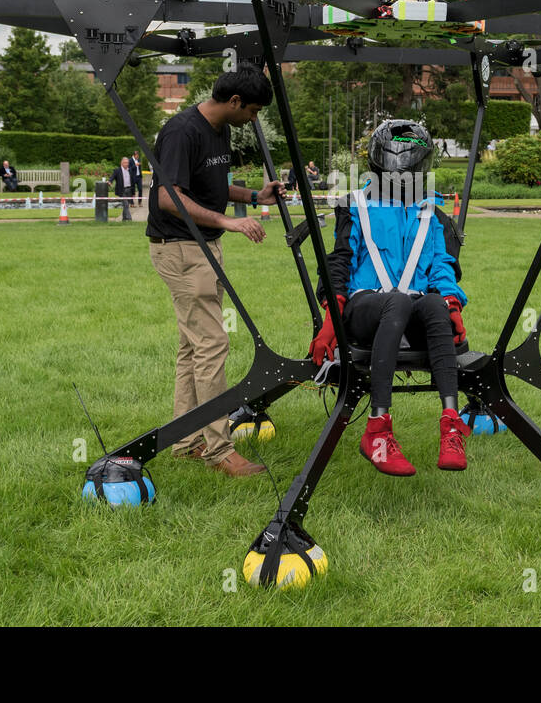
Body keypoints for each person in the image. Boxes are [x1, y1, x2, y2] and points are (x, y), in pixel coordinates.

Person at [308, 119, 471, 476]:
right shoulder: (355, 206)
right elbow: (338, 262)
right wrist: (332, 315)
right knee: (397, 302)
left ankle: (451, 423)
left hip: (410, 308)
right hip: (363, 309)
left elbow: (442, 264)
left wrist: (451, 305)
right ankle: (377, 430)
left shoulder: (431, 214)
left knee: (431, 304)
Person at [147, 62, 285, 477]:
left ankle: (185, 440)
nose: (253, 119)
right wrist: (229, 222)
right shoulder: (181, 130)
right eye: (254, 111)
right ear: (235, 101)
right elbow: (169, 197)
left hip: (203, 247)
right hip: (181, 249)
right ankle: (219, 451)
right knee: (212, 345)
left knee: (193, 348)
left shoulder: (218, 129)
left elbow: (209, 184)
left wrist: (254, 196)